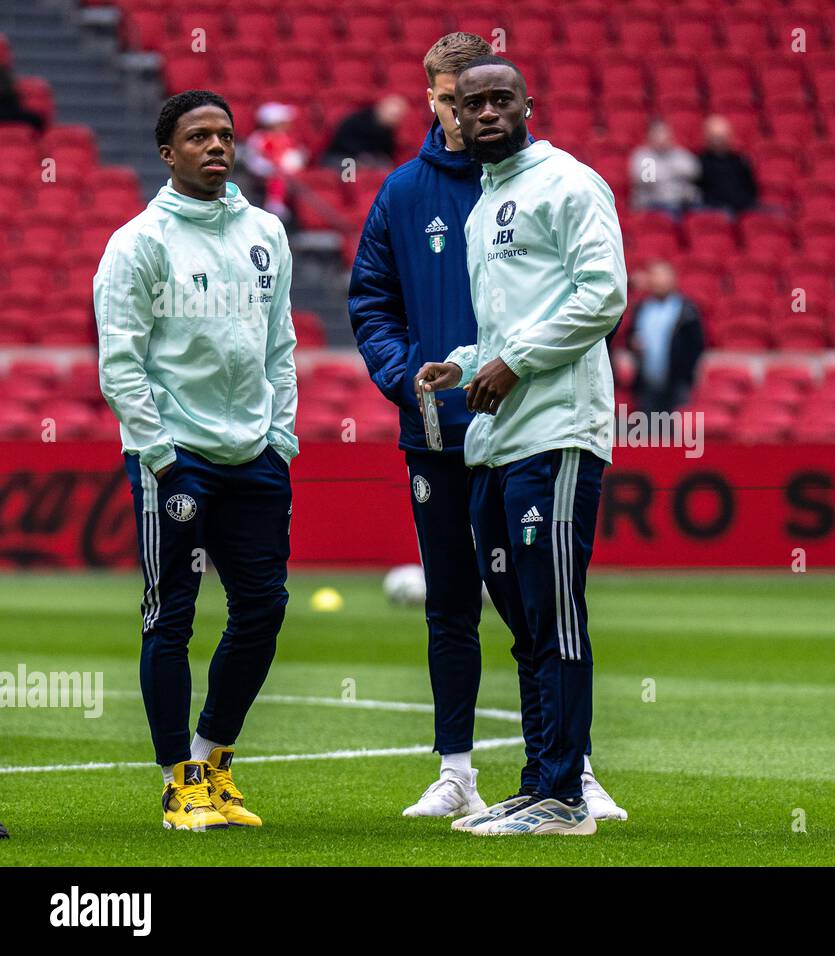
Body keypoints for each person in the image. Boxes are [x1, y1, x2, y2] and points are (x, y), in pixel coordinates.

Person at [349, 36, 626, 823]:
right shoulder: (476, 207)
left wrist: (510, 364)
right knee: (522, 620)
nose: (485, 113)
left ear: (528, 105)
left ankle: (568, 788)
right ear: (449, 114)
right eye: (471, 104)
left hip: (556, 430)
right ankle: (537, 782)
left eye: (501, 99)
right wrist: (456, 367)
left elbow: (603, 295)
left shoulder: (569, 183)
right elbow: (495, 328)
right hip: (492, 439)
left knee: (551, 612)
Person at [94, 90, 298, 831]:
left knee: (263, 609)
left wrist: (282, 437)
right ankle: (177, 782)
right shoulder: (139, 243)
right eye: (198, 136)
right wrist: (158, 453)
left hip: (256, 456)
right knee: (170, 618)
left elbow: (280, 346)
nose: (216, 146)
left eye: (225, 135)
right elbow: (120, 361)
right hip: (175, 456)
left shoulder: (266, 232)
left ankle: (212, 762)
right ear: (167, 152)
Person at [623, 260, 704, 413]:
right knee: (649, 425)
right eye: (655, 277)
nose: (659, 282)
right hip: (647, 385)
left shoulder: (687, 310)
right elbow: (630, 336)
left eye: (663, 277)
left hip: (678, 386)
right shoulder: (641, 308)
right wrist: (633, 344)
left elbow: (696, 344)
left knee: (676, 426)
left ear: (673, 279)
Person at [244, 101, 307, 222]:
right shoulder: (259, 138)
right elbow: (253, 160)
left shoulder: (287, 138)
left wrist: (294, 161)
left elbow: (295, 153)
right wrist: (269, 167)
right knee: (277, 180)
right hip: (268, 175)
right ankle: (274, 203)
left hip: (288, 174)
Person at [628, 118, 700, 213]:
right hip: (652, 203)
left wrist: (666, 171)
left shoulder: (679, 153)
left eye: (665, 134)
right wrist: (674, 173)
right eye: (658, 134)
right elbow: (648, 180)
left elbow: (694, 171)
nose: (662, 138)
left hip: (682, 201)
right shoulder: (642, 155)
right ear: (650, 136)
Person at [323, 93, 409, 167]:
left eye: (398, 116)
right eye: (392, 115)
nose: (394, 119)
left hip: (369, 160)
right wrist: (362, 155)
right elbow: (343, 143)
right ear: (381, 109)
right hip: (340, 156)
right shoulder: (357, 120)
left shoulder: (388, 130)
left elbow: (386, 152)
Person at [697, 114, 758, 213]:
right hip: (717, 210)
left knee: (776, 215)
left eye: (722, 136)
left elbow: (751, 188)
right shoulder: (700, 162)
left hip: (745, 207)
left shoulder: (739, 160)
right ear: (707, 137)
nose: (719, 141)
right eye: (715, 137)